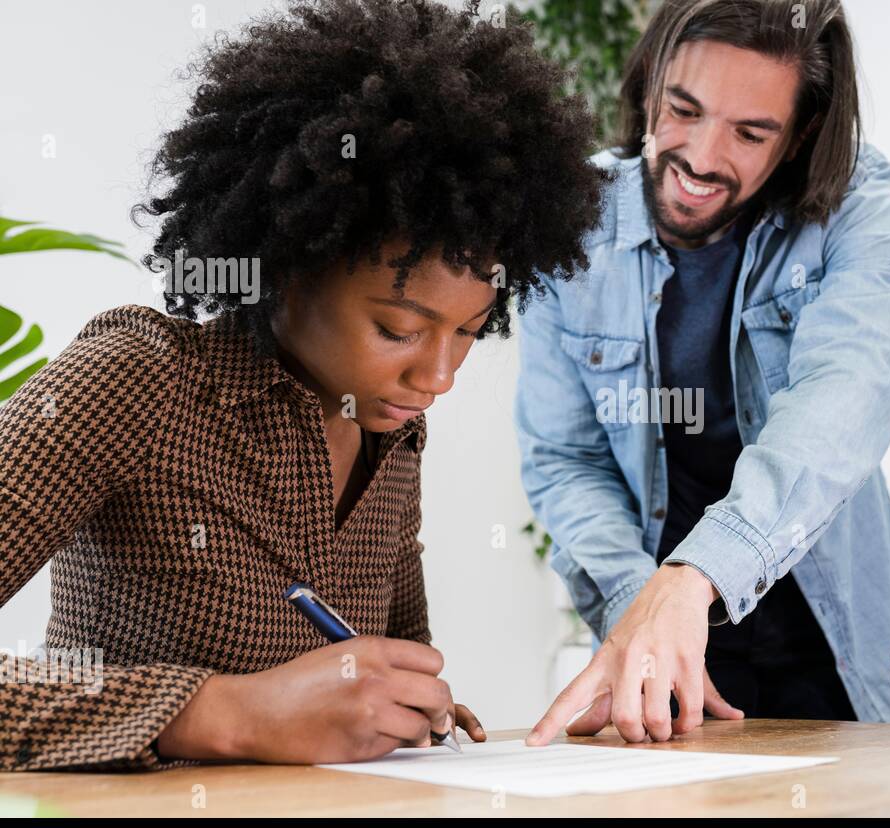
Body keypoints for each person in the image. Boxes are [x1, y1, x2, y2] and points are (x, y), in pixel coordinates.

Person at [0, 0, 609, 771]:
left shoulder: (395, 431)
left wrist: (405, 708)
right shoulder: (136, 380)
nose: (440, 377)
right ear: (286, 266)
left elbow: (386, 665)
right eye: (398, 329)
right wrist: (219, 712)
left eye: (467, 331)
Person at [516, 0, 890, 746]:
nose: (700, 157)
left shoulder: (860, 203)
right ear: (647, 88)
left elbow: (847, 395)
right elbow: (566, 458)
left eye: (749, 132)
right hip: (663, 642)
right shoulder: (573, 215)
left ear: (798, 138)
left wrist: (697, 572)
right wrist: (645, 605)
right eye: (683, 110)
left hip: (832, 641)